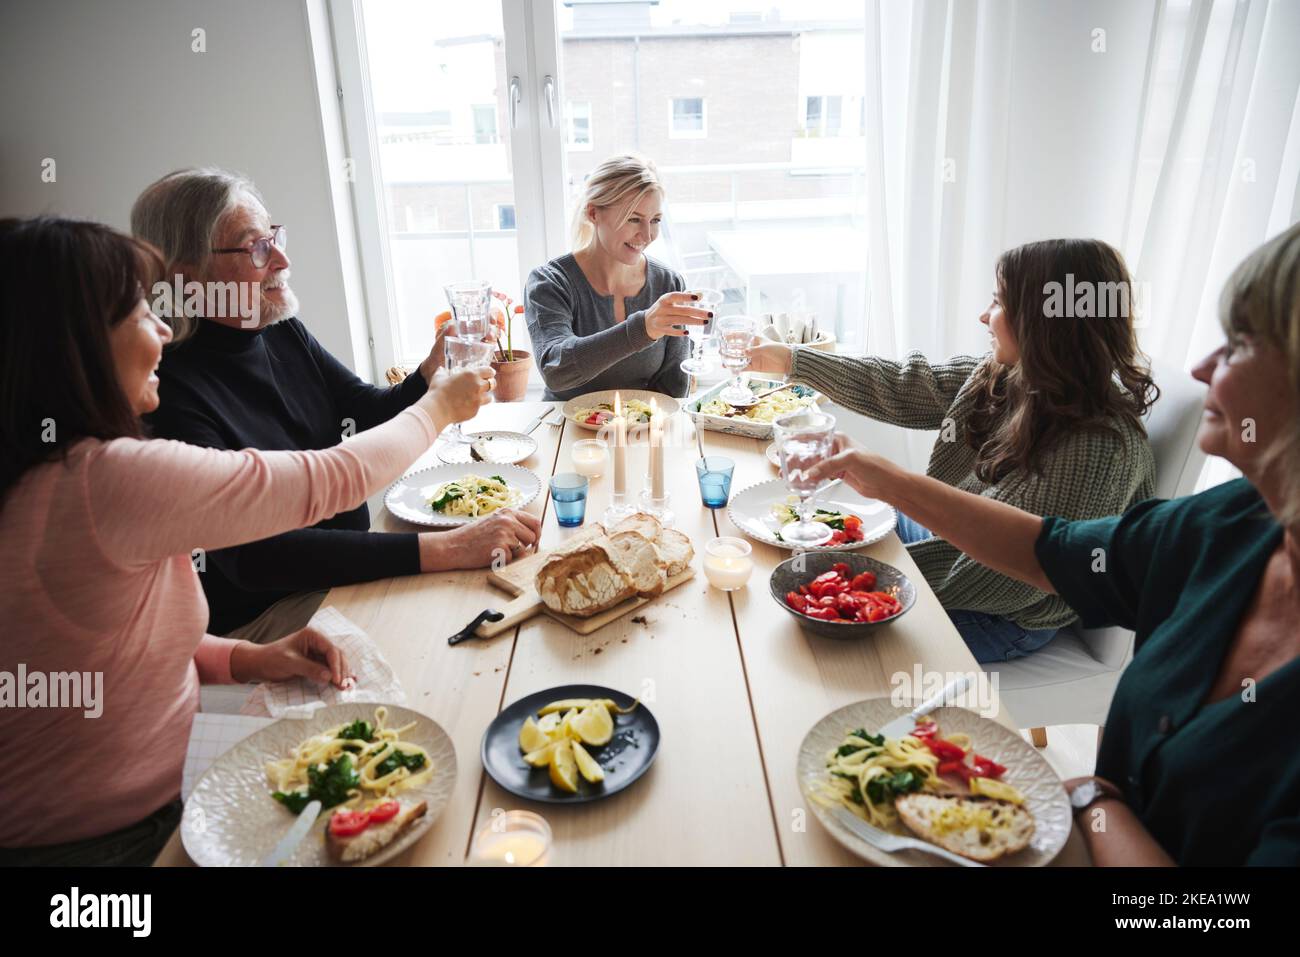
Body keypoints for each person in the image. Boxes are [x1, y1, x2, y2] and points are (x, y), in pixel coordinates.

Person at [0, 216, 492, 864]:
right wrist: (439, 405)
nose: (162, 329)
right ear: (78, 345)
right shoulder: (105, 478)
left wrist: (247, 658)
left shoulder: (49, 471)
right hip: (110, 846)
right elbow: (329, 480)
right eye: (142, 312)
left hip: (170, 786)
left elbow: (116, 648)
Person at [806, 223, 1300, 865]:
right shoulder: (1236, 525)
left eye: (1238, 346)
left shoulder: (1102, 446)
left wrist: (1092, 801)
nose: (1203, 368)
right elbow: (1050, 549)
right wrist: (884, 482)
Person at [132, 168, 540, 642]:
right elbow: (256, 557)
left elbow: (359, 415)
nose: (282, 258)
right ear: (186, 274)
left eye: (275, 236)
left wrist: (426, 376)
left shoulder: (278, 327)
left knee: (493, 594)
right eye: (255, 247)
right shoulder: (166, 391)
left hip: (344, 568)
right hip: (267, 614)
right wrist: (441, 548)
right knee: (456, 621)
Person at [748, 239, 1157, 663]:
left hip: (1002, 616)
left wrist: (851, 572)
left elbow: (1007, 578)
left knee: (808, 637)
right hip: (951, 543)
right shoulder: (1008, 373)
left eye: (998, 303)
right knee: (794, 541)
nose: (983, 315)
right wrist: (793, 360)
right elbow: (906, 384)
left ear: (1044, 322)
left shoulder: (1098, 446)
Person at [524, 154, 710, 401]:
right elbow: (556, 369)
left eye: (655, 220)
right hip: (564, 431)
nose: (647, 234)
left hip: (640, 431)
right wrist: (642, 329)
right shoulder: (551, 282)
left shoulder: (668, 284)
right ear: (593, 213)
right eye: (633, 219)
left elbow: (673, 389)